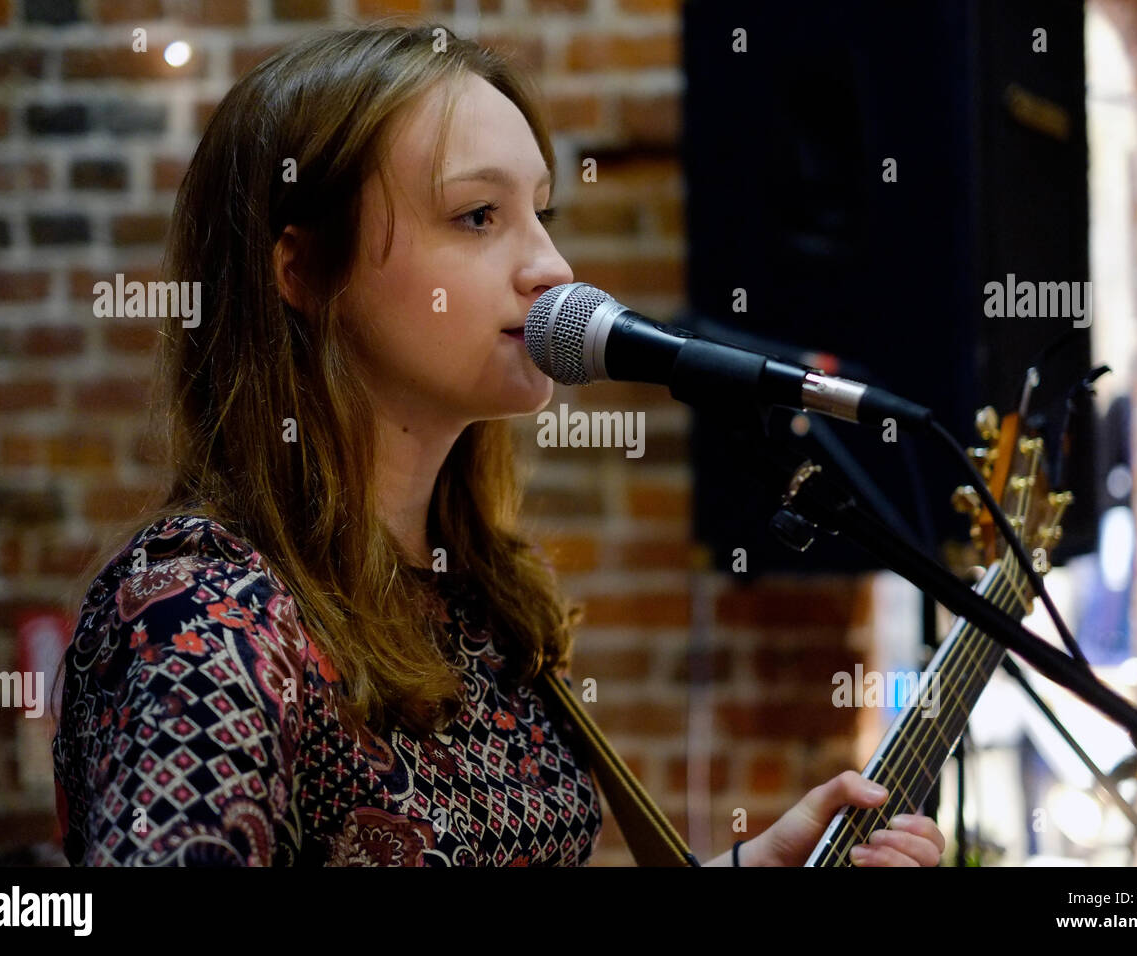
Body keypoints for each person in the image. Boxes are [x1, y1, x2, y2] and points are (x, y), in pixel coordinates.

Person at [51, 20, 945, 867]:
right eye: (478, 216)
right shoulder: (204, 622)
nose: (552, 266)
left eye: (542, 212)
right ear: (303, 269)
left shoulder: (478, 594)